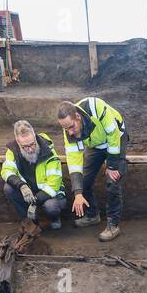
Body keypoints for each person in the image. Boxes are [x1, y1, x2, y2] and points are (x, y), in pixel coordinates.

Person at [56, 97, 128, 242]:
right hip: (95, 144)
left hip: (115, 139)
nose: (69, 132)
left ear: (77, 116)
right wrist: (77, 192)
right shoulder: (69, 132)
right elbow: (74, 161)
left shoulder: (95, 107)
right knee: (83, 181)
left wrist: (112, 165)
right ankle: (92, 215)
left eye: (71, 127)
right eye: (65, 128)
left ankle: (113, 225)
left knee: (113, 181)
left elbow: (113, 135)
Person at [0, 120, 65, 229]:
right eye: (25, 146)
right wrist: (21, 185)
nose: (30, 149)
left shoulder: (48, 151)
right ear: (18, 141)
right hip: (28, 190)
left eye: (32, 144)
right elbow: (6, 171)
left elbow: (54, 184)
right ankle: (29, 221)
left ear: (34, 137)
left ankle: (54, 218)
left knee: (51, 207)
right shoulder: (12, 150)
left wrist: (35, 202)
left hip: (49, 193)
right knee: (8, 188)